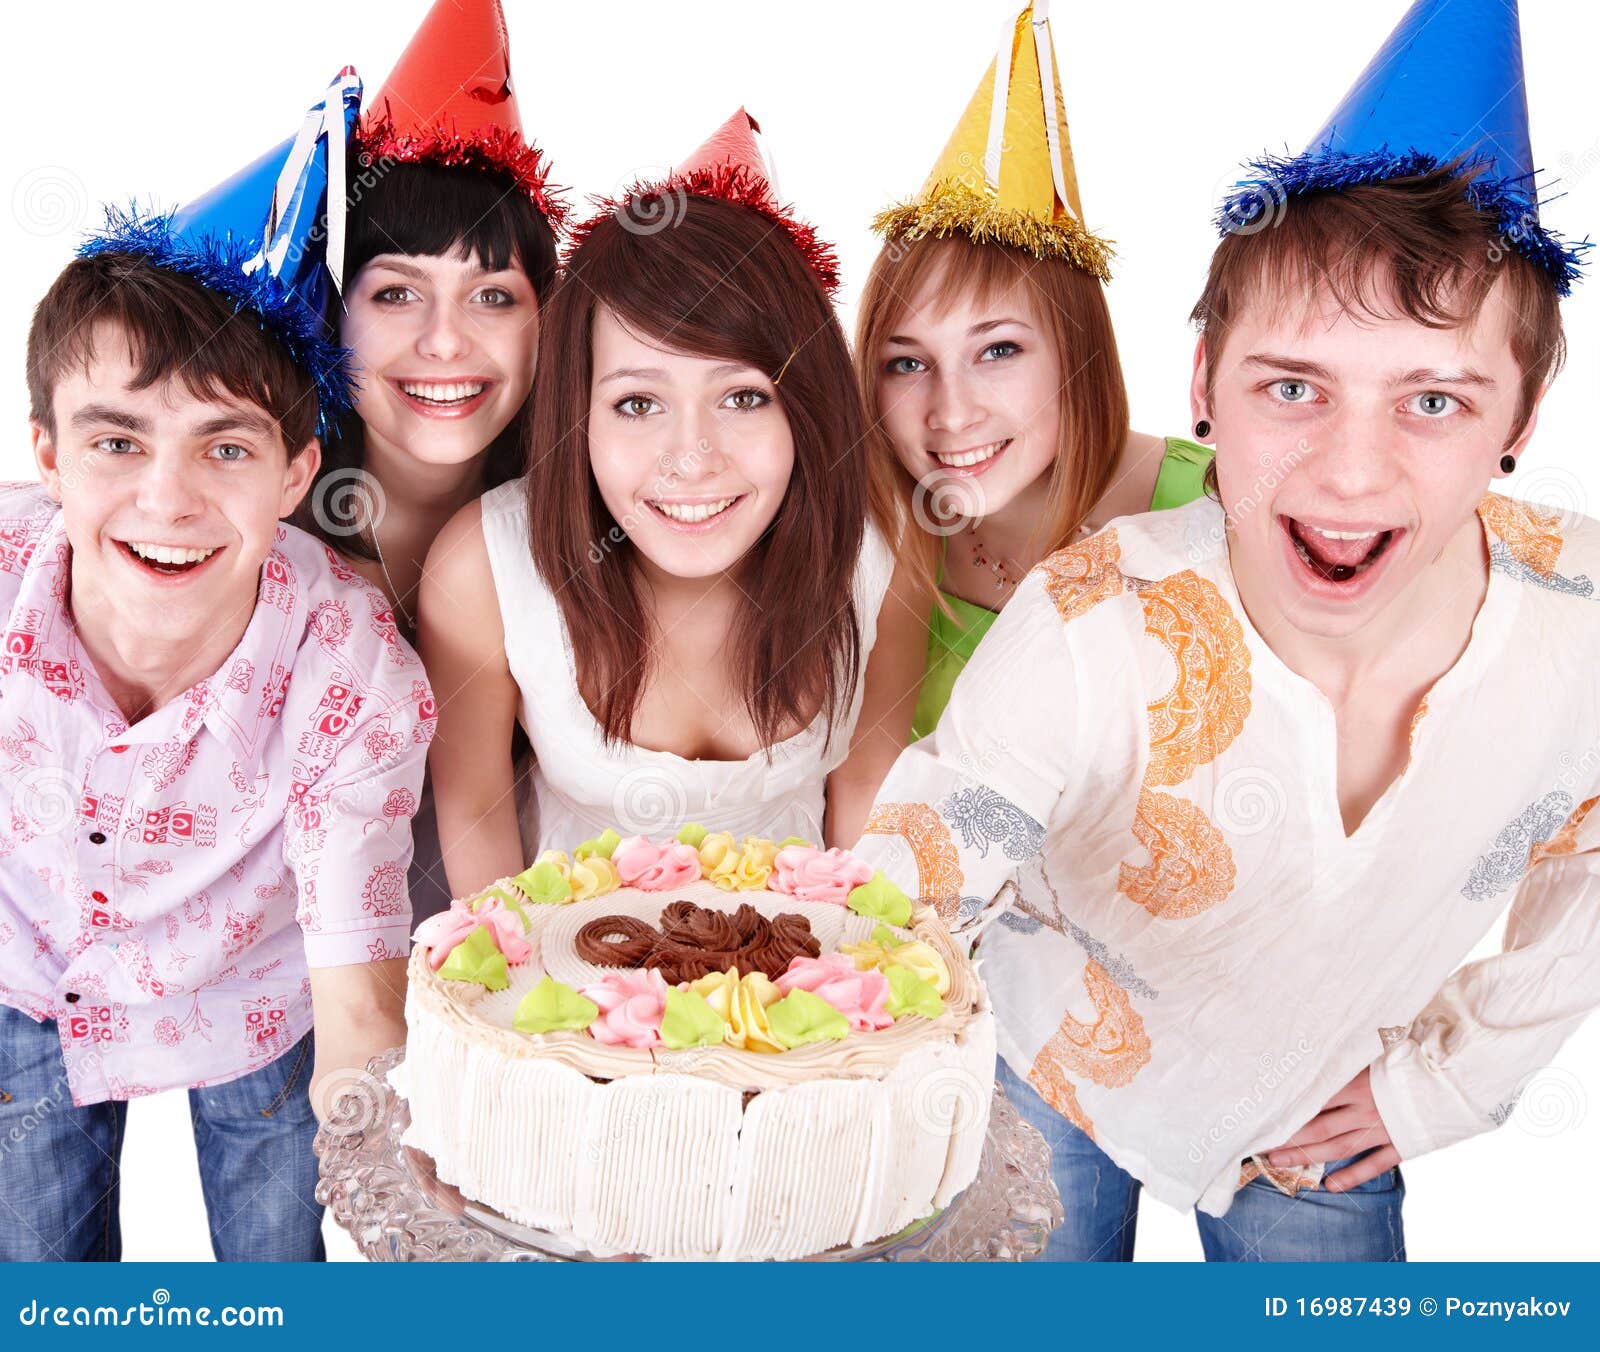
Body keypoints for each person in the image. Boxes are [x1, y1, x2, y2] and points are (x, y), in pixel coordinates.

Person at [853, 0, 1591, 1261]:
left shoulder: (1576, 634)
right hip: (1055, 1061)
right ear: (1203, 385)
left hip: (1317, 1110)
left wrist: (1446, 1083)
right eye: (1291, 387)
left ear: (1522, 409)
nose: (1349, 473)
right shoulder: (1093, 613)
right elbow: (931, 849)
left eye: (1431, 398)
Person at [0, 71, 432, 1261]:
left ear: (296, 476)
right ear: (47, 453)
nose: (167, 499)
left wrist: (385, 1160)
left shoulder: (353, 671)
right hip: (29, 973)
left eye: (225, 445)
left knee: (276, 1270)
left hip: (251, 994)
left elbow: (355, 985)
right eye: (117, 439)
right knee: (41, 1280)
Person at [420, 110, 925, 897]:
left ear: (807, 404)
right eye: (636, 404)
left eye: (744, 397)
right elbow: (476, 819)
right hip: (559, 991)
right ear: (575, 412)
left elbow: (867, 826)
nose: (692, 459)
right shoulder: (484, 566)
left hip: (804, 984)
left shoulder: (876, 564)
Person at [858, 1, 1213, 739]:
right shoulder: (879, 541)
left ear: (1078, 352)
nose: (950, 413)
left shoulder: (1216, 503)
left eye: (997, 350)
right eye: (906, 362)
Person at [294, 0, 564, 922]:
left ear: (545, 328)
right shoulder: (251, 518)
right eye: (399, 291)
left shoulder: (589, 526)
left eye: (493, 295)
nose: (445, 343)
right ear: (335, 314)